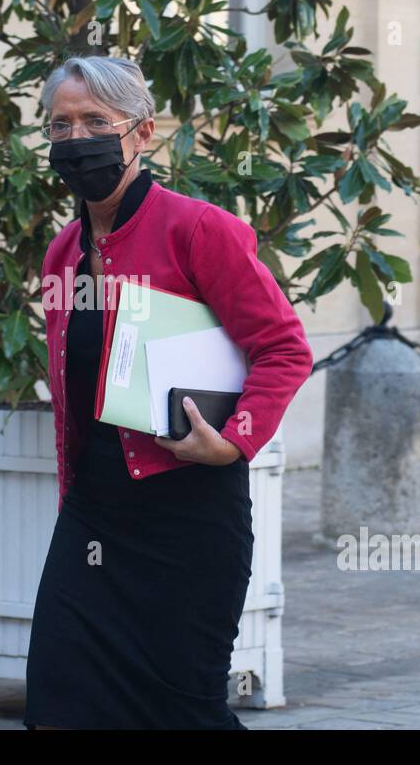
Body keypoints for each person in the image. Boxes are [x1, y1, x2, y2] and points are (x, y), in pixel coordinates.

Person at [23, 55, 314, 730]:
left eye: (96, 121)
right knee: (59, 703)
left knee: (181, 712)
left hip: (188, 515)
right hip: (94, 515)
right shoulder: (63, 253)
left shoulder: (198, 229)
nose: (76, 139)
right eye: (61, 124)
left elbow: (283, 347)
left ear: (142, 132)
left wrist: (234, 438)